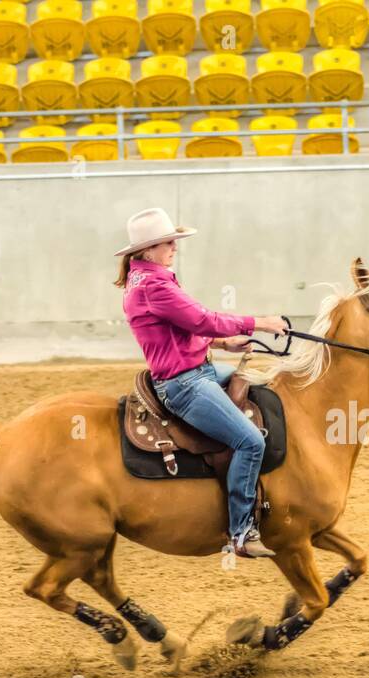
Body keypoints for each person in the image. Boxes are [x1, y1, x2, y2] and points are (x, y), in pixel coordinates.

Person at [113, 207, 289, 558]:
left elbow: (179, 331)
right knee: (250, 441)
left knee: (260, 385)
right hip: (185, 384)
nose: (174, 247)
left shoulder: (147, 279)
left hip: (198, 370)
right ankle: (241, 531)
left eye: (174, 241)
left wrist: (224, 344)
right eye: (167, 242)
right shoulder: (154, 285)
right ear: (147, 250)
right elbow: (201, 319)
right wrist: (259, 323)